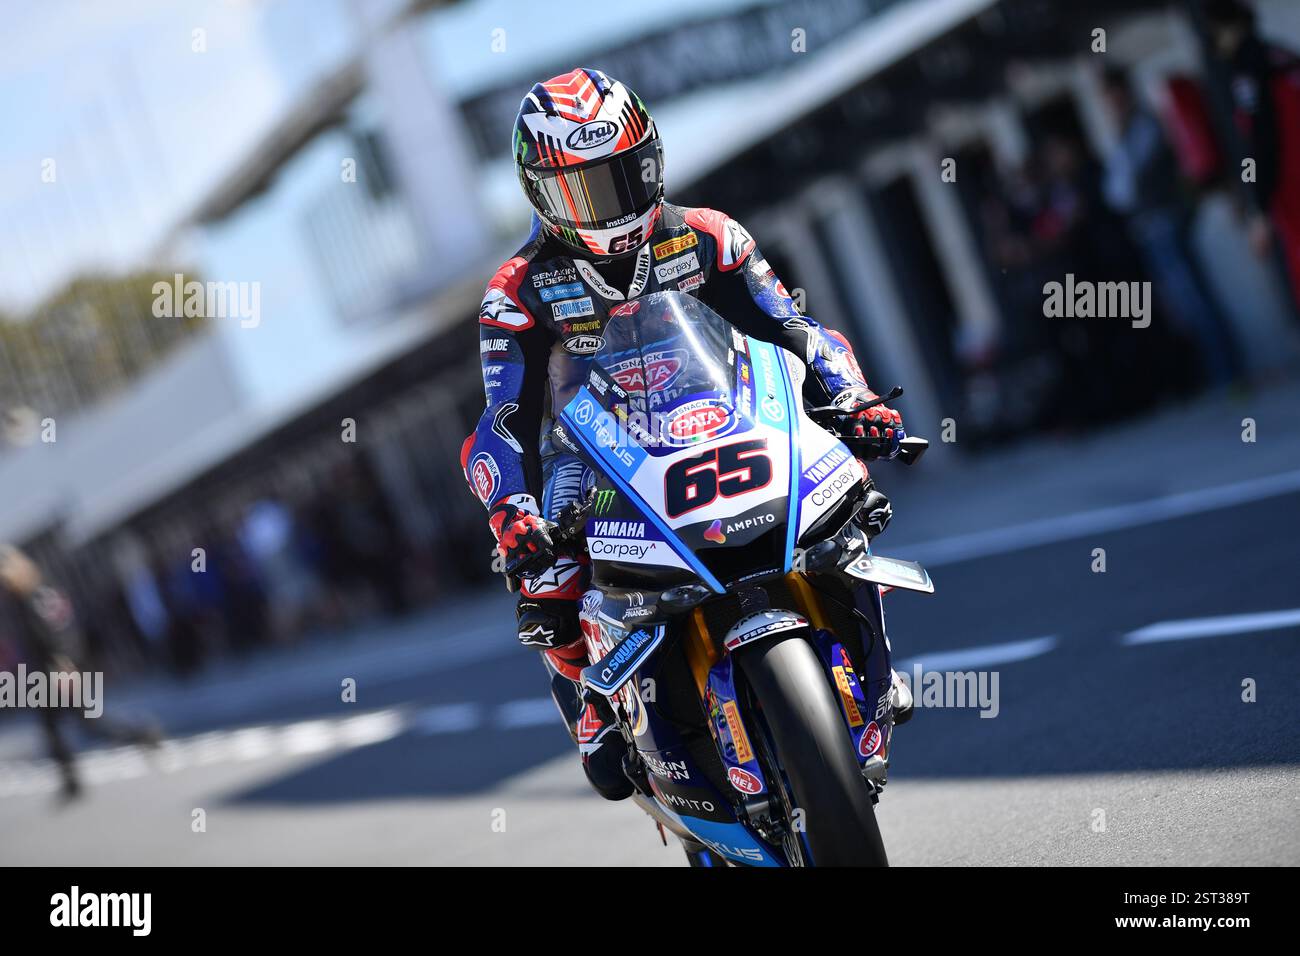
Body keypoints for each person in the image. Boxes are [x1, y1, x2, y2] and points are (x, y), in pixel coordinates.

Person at [460, 69, 905, 800]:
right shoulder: (517, 290)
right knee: (544, 579)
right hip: (591, 453)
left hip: (728, 417)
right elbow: (503, 417)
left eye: (623, 175)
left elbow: (797, 330)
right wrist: (516, 513)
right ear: (541, 194)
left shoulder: (712, 237)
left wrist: (853, 399)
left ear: (653, 157)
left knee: (847, 506)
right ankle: (595, 707)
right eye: (583, 189)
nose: (611, 203)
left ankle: (861, 660)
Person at [0, 544, 160, 800]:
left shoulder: (37, 594)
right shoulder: (24, 598)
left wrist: (64, 663)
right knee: (51, 727)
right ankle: (71, 781)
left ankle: (141, 733)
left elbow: (59, 631)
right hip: (44, 674)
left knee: (90, 723)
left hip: (59, 669)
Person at [1204, 0, 1300, 313]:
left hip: (1291, 185)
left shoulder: (1246, 69)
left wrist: (1258, 209)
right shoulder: (1281, 53)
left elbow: (1258, 144)